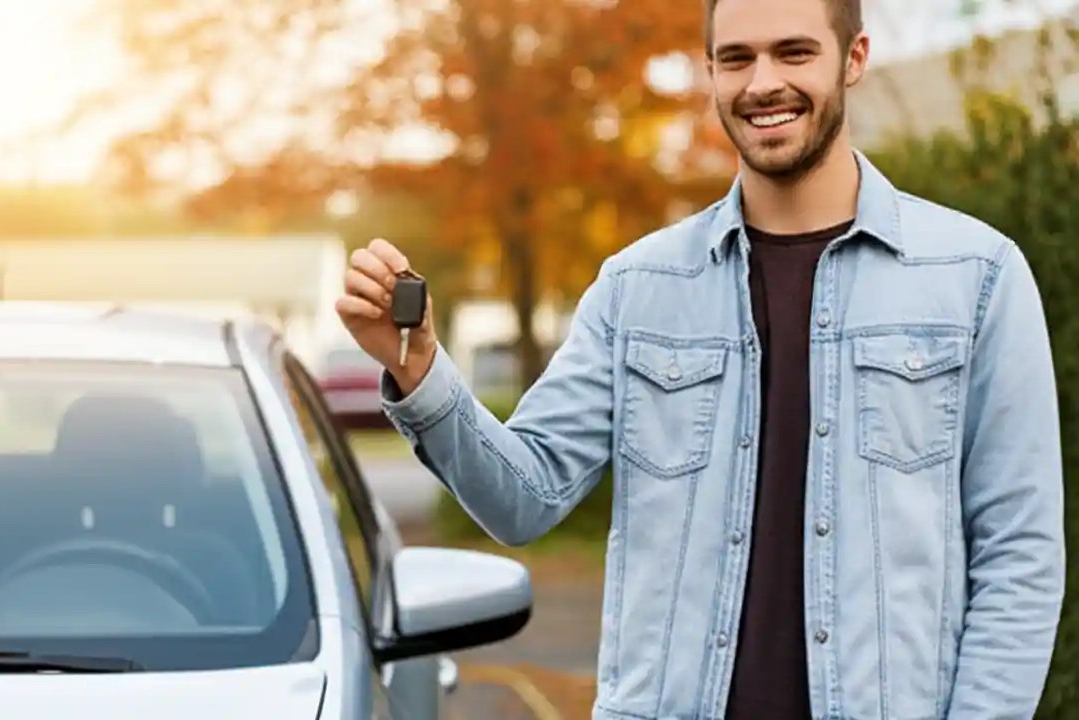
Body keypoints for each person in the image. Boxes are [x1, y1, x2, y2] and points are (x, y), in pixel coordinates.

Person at [334, 0, 1066, 716]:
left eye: (794, 52)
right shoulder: (638, 289)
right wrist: (420, 368)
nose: (762, 84)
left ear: (855, 59)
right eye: (737, 58)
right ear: (710, 71)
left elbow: (1020, 560)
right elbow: (525, 497)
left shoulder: (975, 279)